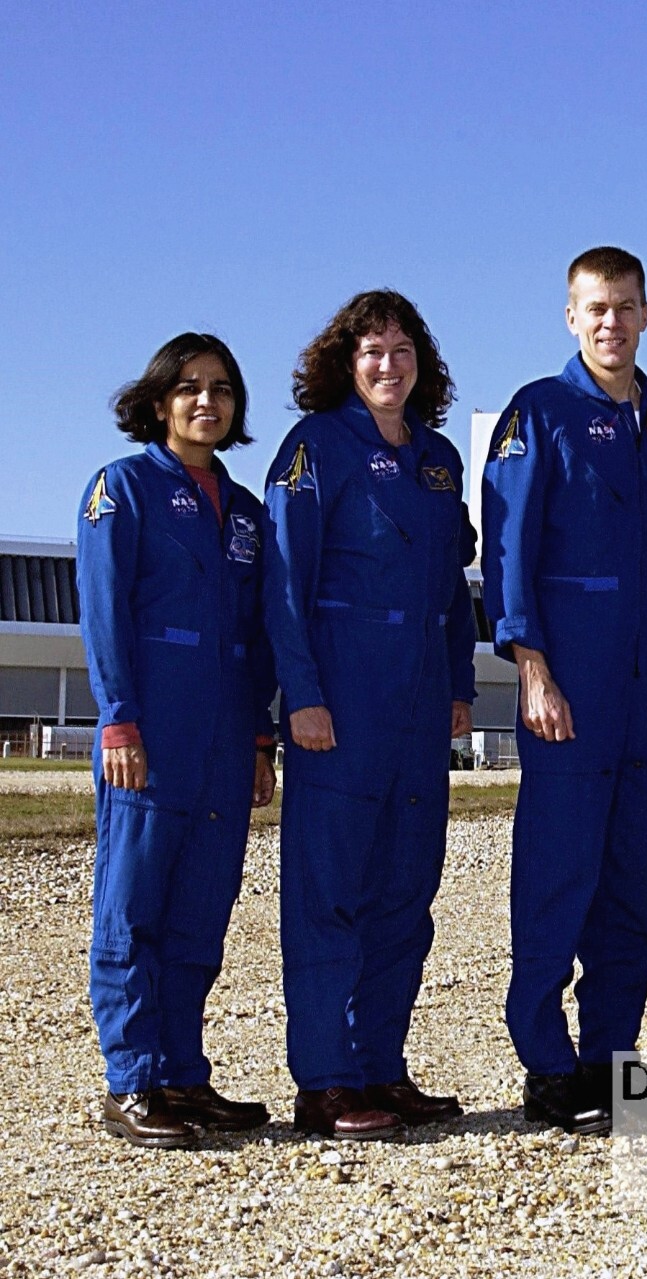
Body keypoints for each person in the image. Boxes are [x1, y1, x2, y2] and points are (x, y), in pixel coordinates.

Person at [479, 247, 647, 1136]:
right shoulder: (540, 414)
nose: (612, 323)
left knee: (628, 886)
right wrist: (531, 665)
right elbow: (509, 549)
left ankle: (612, 1057)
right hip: (568, 687)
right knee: (556, 877)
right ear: (571, 317)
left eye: (626, 307)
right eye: (595, 309)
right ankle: (546, 1062)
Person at [262, 291, 477, 1140]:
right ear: (346, 364)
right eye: (372, 352)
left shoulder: (436, 460)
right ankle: (324, 1079)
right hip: (342, 706)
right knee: (329, 896)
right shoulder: (315, 449)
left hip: (421, 707)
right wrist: (302, 695)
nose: (389, 366)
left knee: (404, 894)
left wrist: (460, 681)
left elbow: (451, 590)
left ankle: (381, 1066)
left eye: (402, 351)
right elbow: (283, 585)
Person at [78, 333, 278, 1148]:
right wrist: (117, 715)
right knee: (133, 909)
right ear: (159, 400)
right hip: (149, 734)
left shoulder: (248, 513)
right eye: (190, 387)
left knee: (201, 913)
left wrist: (261, 738)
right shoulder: (121, 490)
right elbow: (103, 610)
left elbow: (260, 630)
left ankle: (182, 1074)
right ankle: (131, 1080)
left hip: (226, 740)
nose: (208, 401)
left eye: (223, 389)